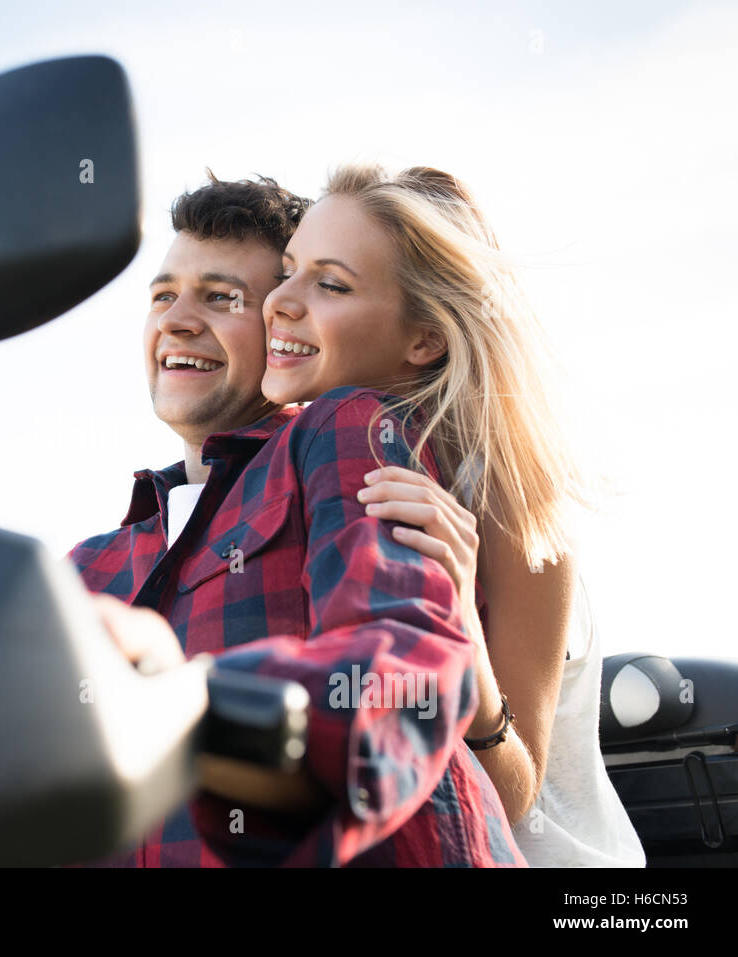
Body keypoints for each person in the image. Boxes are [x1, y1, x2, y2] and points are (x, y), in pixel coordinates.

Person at [70, 173, 524, 866]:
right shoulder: (85, 567)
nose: (177, 319)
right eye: (163, 295)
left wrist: (202, 710)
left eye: (222, 297)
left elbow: (399, 651)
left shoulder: (340, 432)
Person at [256, 164, 642, 866]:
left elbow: (513, 793)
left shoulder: (512, 501)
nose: (279, 301)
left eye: (330, 283)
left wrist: (458, 617)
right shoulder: (306, 468)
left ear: (425, 340)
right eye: (288, 270)